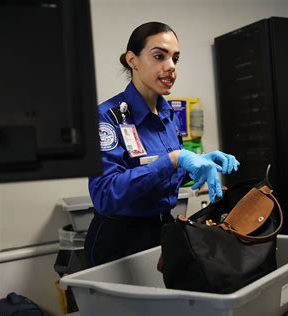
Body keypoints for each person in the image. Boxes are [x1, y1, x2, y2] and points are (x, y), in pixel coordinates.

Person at [84, 22, 239, 267]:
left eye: (175, 59)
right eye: (159, 56)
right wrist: (173, 159)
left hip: (161, 231)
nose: (171, 67)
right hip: (119, 242)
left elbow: (165, 178)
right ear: (132, 60)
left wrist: (197, 165)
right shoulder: (107, 118)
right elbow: (104, 194)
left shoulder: (167, 115)